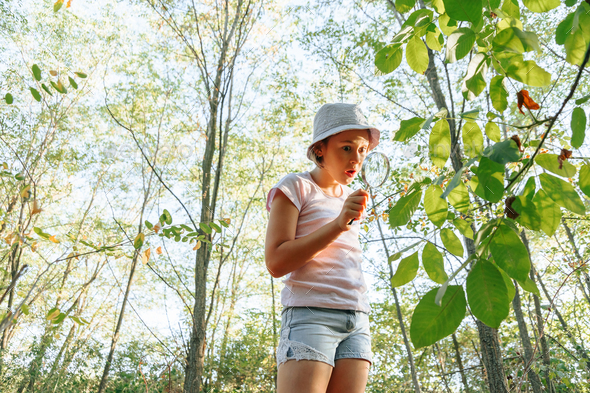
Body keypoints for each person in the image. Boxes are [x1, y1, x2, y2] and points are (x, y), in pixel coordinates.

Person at [265, 103, 380, 393]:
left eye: (363, 150)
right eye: (346, 148)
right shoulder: (295, 187)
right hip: (310, 315)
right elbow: (276, 262)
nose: (356, 158)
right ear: (320, 150)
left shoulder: (351, 198)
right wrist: (339, 224)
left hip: (356, 320)